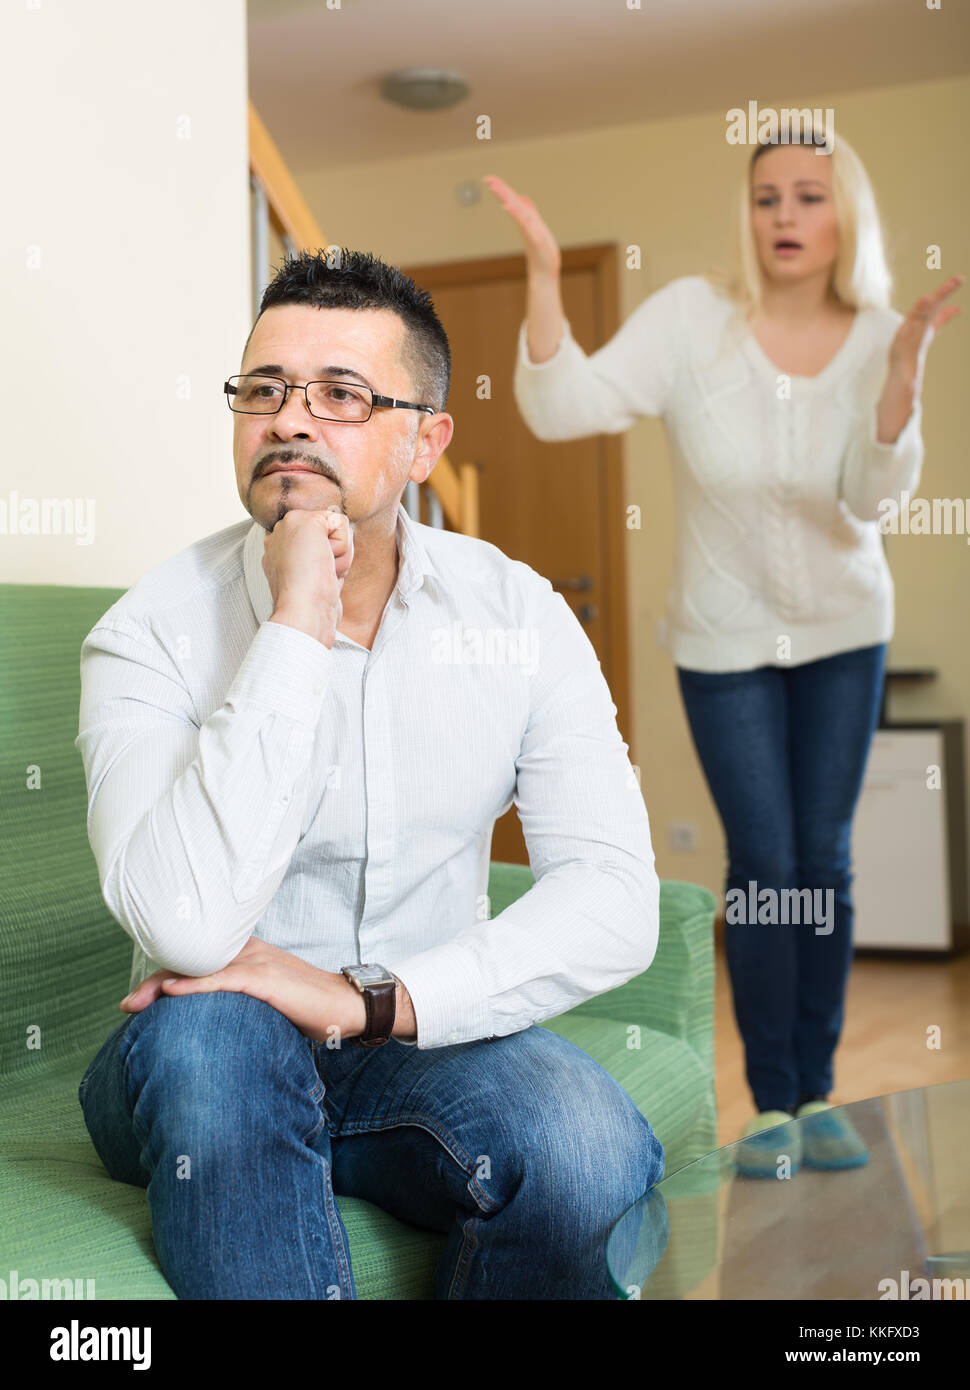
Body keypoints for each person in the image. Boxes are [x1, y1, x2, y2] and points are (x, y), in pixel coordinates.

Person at [74, 248, 665, 1299]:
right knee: (215, 1044)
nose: (290, 421)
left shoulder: (516, 616)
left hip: (417, 1040)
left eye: (340, 393)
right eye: (264, 391)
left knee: (588, 1150)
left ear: (426, 440)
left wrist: (366, 999)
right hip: (198, 1052)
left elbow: (616, 898)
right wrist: (297, 621)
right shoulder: (149, 634)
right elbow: (187, 930)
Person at [487, 126, 962, 1176]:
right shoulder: (691, 321)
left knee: (822, 863)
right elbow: (560, 405)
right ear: (746, 217)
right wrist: (543, 273)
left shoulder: (882, 332)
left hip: (843, 633)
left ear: (846, 218)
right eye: (765, 197)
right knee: (763, 864)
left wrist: (898, 385)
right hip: (720, 642)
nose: (784, 215)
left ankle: (818, 1089)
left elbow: (870, 500)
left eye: (808, 195)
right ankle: (770, 1104)